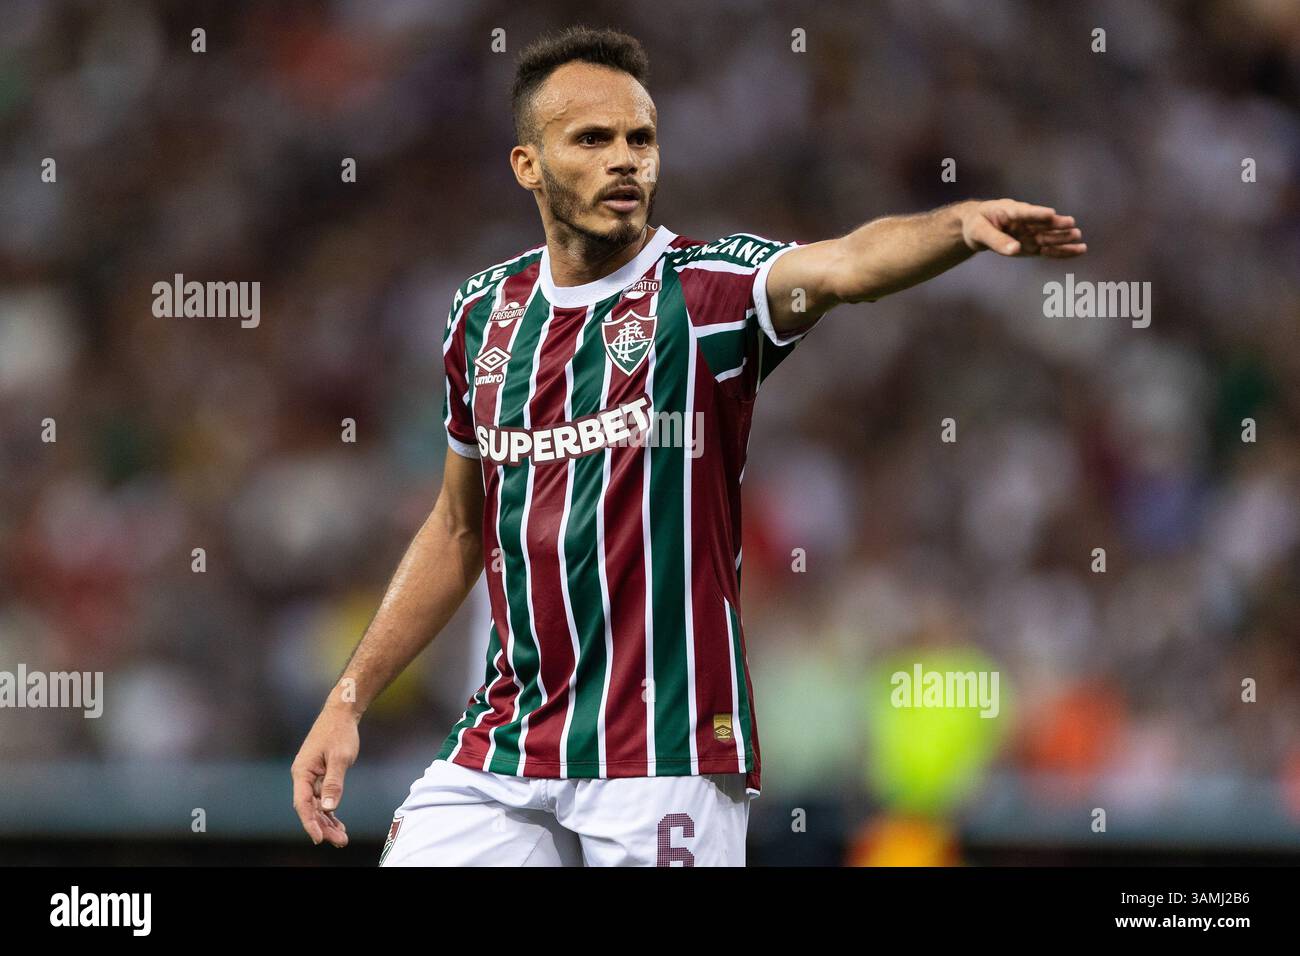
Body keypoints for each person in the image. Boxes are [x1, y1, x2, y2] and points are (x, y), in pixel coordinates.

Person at [290, 25, 1085, 867]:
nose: (625, 159)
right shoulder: (482, 315)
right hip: (508, 746)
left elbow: (847, 265)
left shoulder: (709, 294)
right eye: (592, 139)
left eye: (641, 138)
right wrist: (348, 697)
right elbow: (458, 528)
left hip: (666, 756)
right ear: (528, 165)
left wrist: (957, 226)